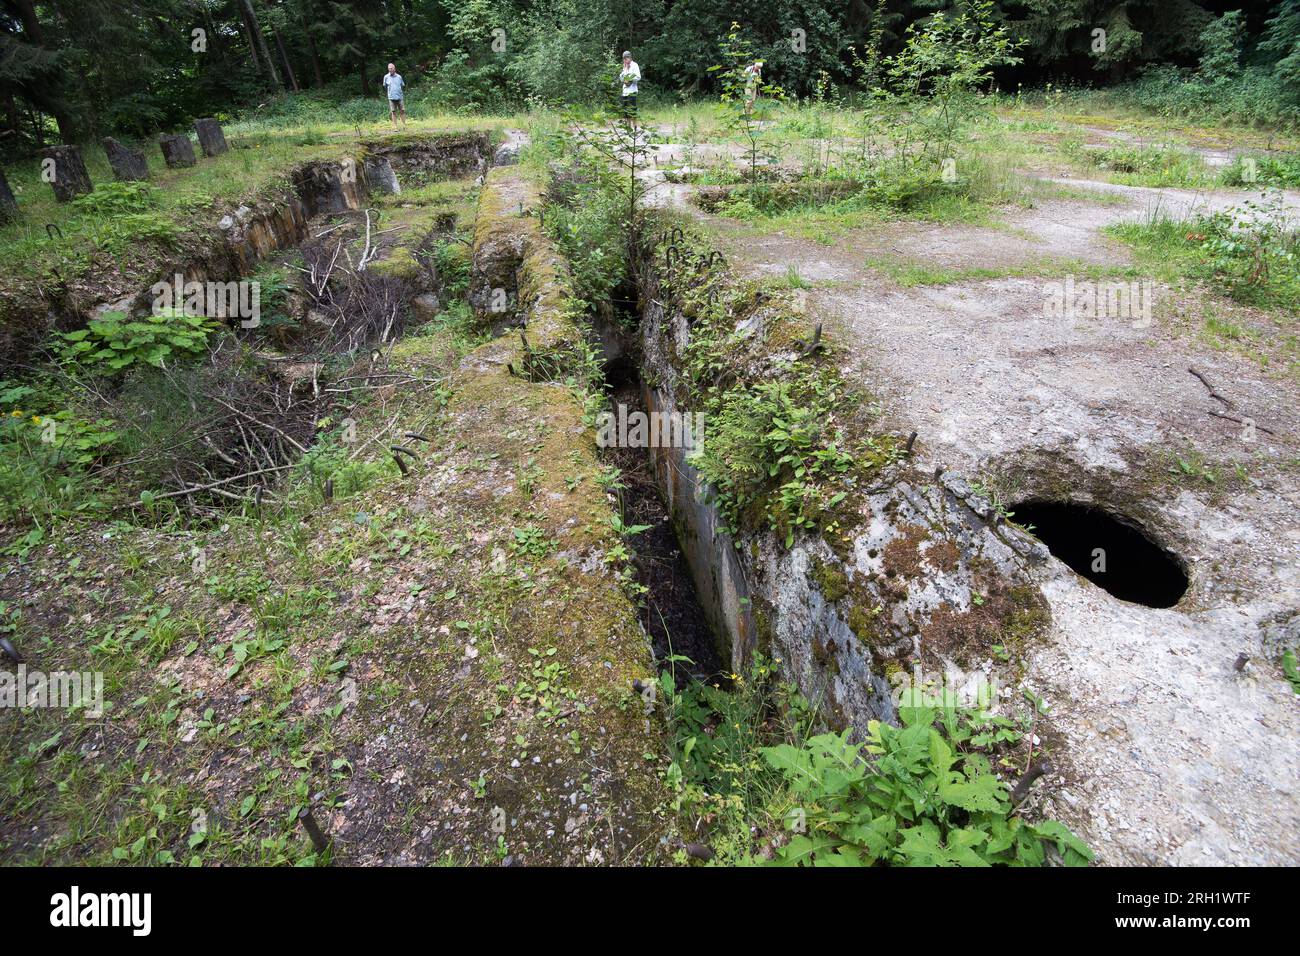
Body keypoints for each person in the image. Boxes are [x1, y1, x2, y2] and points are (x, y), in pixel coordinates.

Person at [381, 63, 407, 128]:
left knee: (402, 111)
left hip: (399, 97)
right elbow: (385, 86)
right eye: (389, 68)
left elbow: (402, 85)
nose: (390, 70)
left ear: (394, 69)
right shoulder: (386, 77)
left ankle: (404, 125)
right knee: (393, 111)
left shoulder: (399, 77)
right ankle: (395, 126)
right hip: (391, 97)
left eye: (391, 68)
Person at [619, 51, 641, 119]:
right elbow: (621, 77)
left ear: (630, 57)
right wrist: (623, 79)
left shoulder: (634, 65)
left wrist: (630, 79)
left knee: (632, 112)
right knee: (625, 113)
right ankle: (628, 128)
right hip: (625, 92)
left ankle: (634, 128)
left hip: (632, 92)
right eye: (624, 58)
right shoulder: (624, 66)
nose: (625, 60)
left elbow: (638, 77)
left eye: (626, 58)